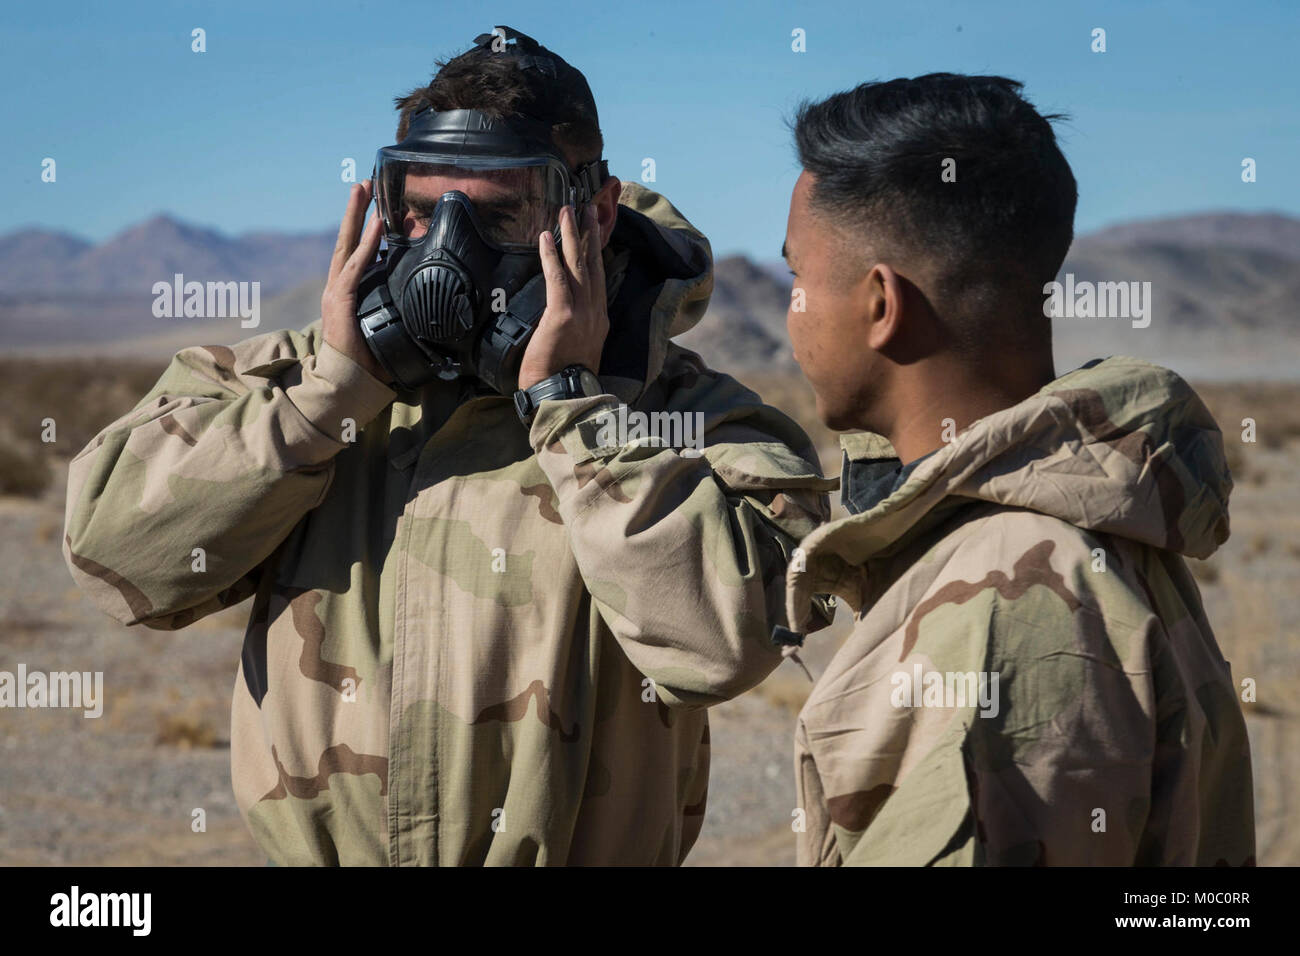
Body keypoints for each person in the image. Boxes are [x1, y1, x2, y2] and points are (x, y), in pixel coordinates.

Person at [63, 26, 832, 866]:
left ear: (596, 213)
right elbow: (116, 563)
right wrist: (329, 398)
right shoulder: (289, 385)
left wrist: (573, 411)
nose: (445, 253)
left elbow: (723, 646)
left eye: (501, 214)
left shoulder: (698, 423)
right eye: (421, 212)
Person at [778, 73, 1255, 866]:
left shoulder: (1009, 595)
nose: (788, 311)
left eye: (797, 278)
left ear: (880, 304)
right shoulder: (1081, 522)